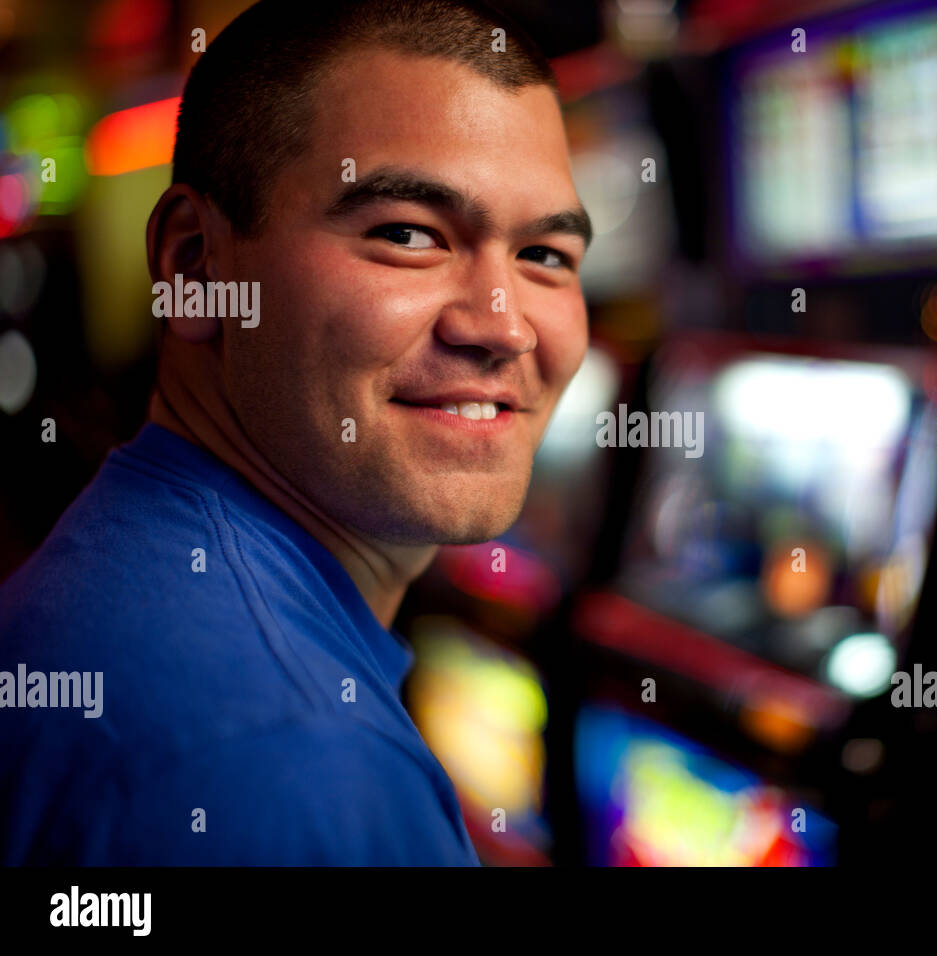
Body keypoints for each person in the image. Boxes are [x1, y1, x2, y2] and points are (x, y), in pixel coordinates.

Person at [0, 0, 591, 864]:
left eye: (546, 256)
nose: (504, 328)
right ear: (195, 267)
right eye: (408, 234)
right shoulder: (283, 758)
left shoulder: (139, 561)